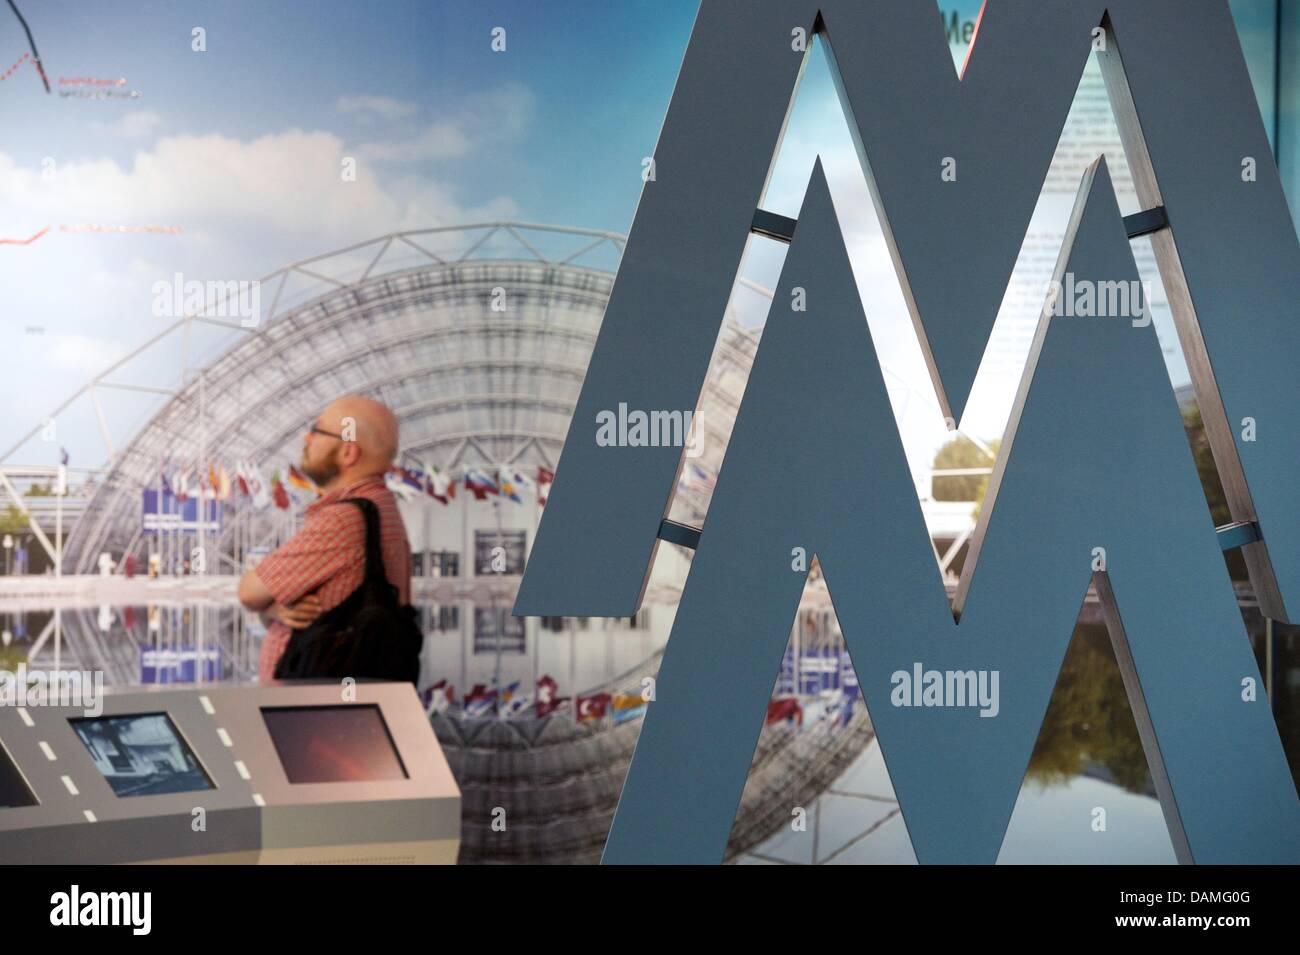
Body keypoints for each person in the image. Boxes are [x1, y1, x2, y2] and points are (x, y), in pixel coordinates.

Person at [237, 394, 412, 681]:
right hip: (348, 696)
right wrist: (273, 609)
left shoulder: (343, 520)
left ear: (348, 453)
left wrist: (267, 605)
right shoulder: (382, 508)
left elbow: (249, 591)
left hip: (309, 700)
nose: (306, 439)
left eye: (317, 431)